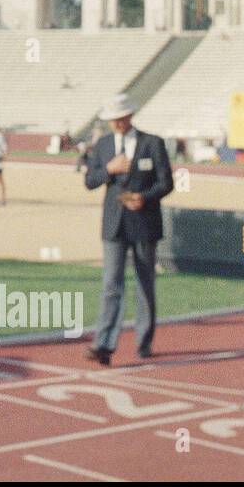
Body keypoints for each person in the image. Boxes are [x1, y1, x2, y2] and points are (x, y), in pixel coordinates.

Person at [82, 93, 173, 365]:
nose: (117, 124)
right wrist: (109, 169)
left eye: (121, 118)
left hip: (144, 223)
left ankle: (144, 341)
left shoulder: (152, 143)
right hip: (114, 225)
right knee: (111, 284)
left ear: (130, 116)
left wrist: (144, 197)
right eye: (113, 120)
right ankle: (104, 345)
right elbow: (90, 180)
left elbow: (166, 182)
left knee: (145, 285)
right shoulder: (104, 144)